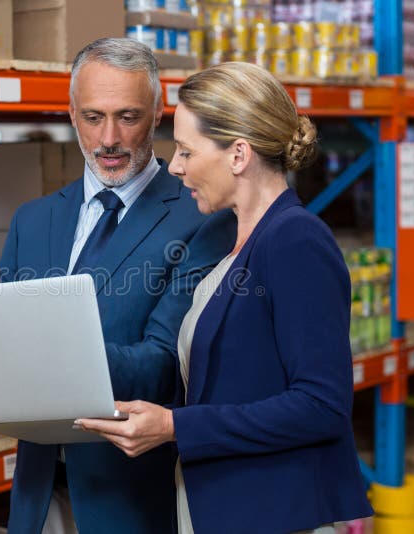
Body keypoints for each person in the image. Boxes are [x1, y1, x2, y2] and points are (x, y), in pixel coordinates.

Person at [0, 38, 236, 534]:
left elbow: (166, 365)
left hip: (134, 499)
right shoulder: (34, 220)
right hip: (39, 498)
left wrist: (42, 354)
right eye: (92, 117)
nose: (108, 138)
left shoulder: (201, 218)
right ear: (71, 113)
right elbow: (9, 374)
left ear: (158, 113)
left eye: (127, 117)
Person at [77, 62, 373, 533]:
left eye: (186, 151)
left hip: (274, 515)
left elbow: (322, 405)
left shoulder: (295, 240)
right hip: (223, 507)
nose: (174, 166)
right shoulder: (233, 243)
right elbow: (237, 384)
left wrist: (176, 427)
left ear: (238, 155)